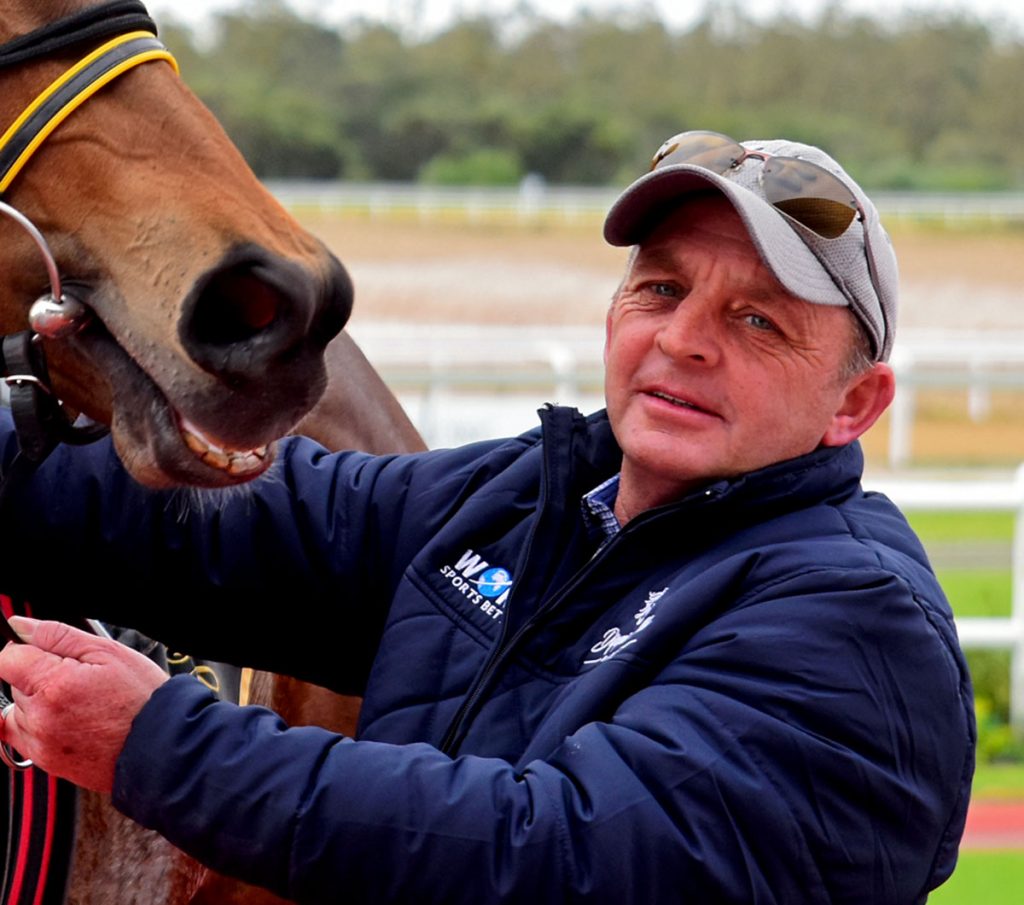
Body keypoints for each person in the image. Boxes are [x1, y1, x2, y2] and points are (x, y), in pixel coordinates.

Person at [0, 131, 974, 904]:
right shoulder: (526, 501)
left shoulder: (855, 618)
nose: (682, 340)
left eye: (757, 321)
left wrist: (160, 747)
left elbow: (557, 852)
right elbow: (242, 526)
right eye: (662, 287)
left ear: (856, 405)